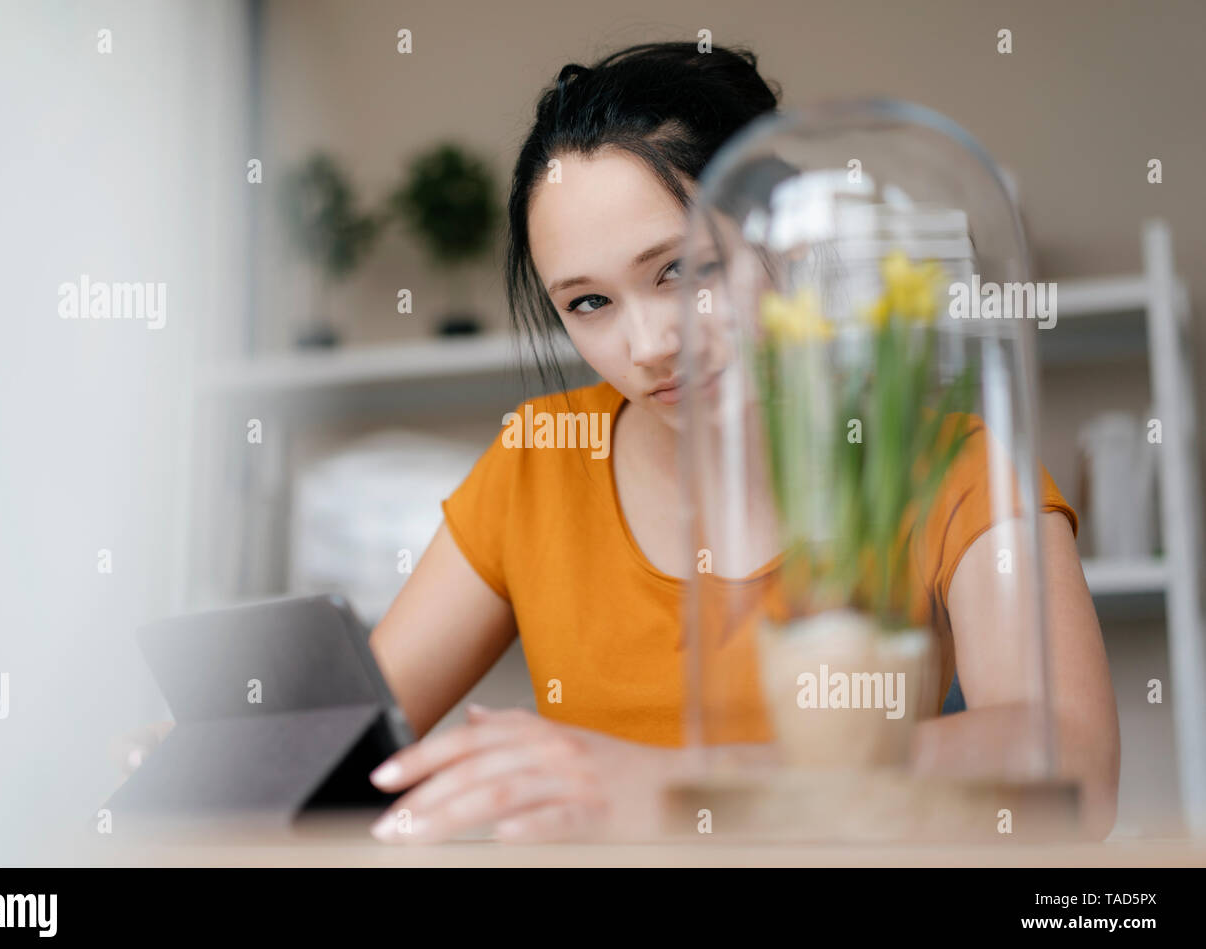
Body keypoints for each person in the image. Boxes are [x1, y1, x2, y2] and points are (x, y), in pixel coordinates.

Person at [363, 42, 1120, 844]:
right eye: (588, 302)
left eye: (684, 271)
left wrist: (670, 791)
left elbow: (1073, 772)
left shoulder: (942, 460)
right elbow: (339, 755)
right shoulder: (541, 458)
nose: (649, 343)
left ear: (783, 239)